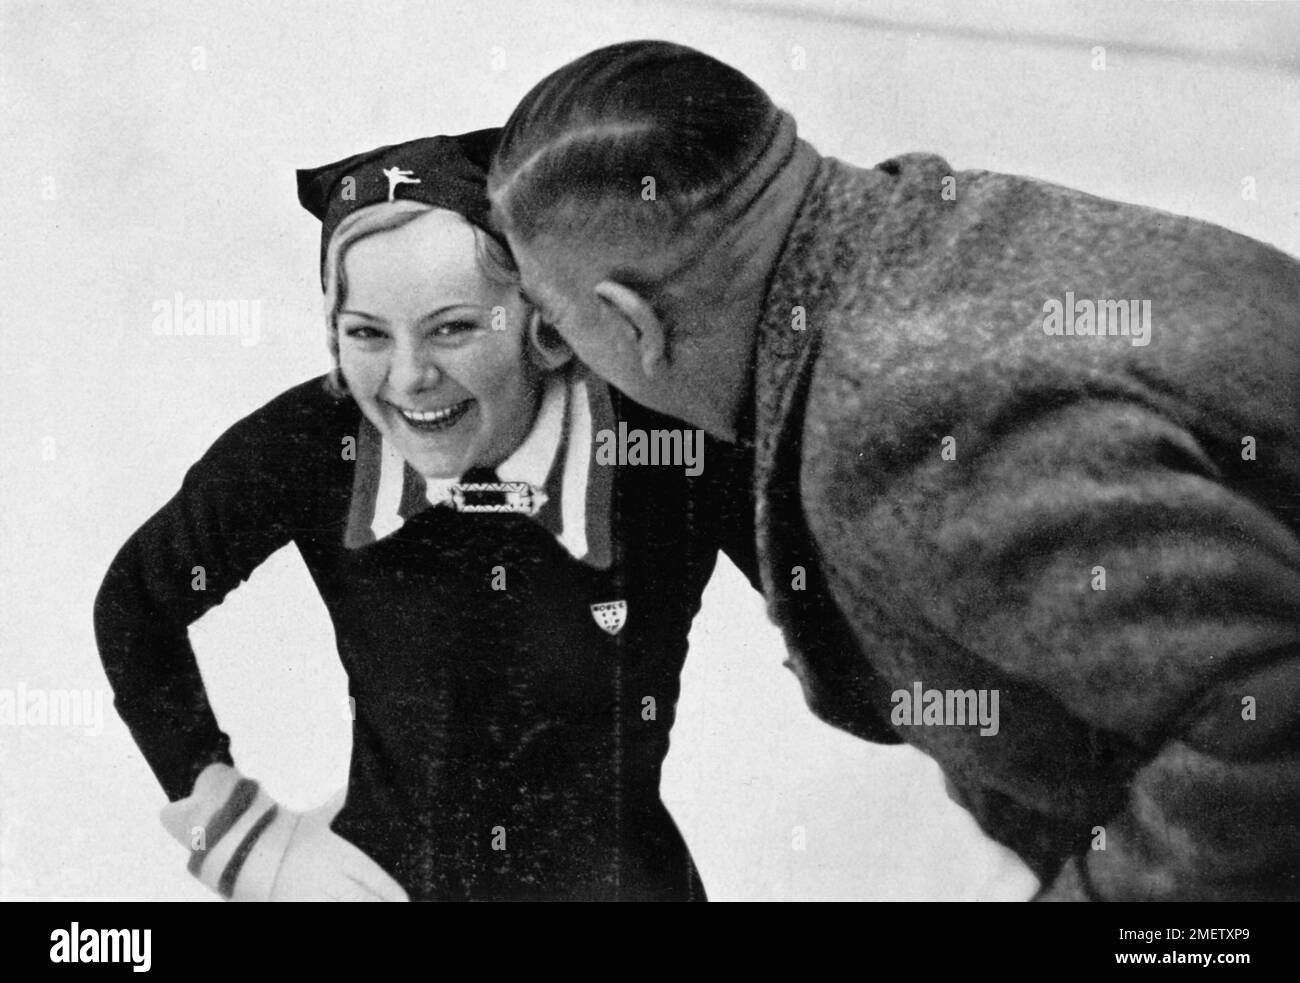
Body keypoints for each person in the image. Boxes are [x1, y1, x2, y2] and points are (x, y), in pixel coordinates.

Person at [485, 41, 1300, 901]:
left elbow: (1264, 717)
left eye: (554, 325)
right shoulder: (946, 222)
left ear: (631, 323)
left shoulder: (897, 426)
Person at [94, 130, 756, 901]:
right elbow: (136, 604)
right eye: (367, 333)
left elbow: (837, 609)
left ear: (542, 323)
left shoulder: (671, 442)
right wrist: (241, 845)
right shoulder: (316, 442)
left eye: (452, 328)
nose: (409, 377)